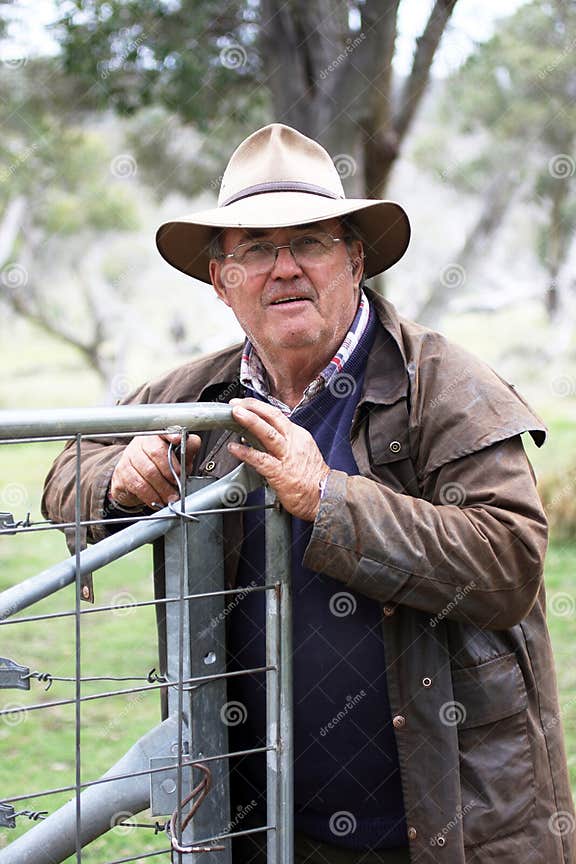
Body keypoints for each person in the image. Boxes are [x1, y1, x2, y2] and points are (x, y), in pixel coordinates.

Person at [42, 124, 575, 864]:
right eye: (257, 249)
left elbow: (510, 562)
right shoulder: (194, 394)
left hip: (444, 832)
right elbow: (67, 470)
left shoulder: (445, 385)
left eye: (311, 243)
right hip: (258, 832)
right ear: (222, 282)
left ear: (354, 260)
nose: (284, 268)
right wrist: (116, 480)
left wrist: (327, 496)